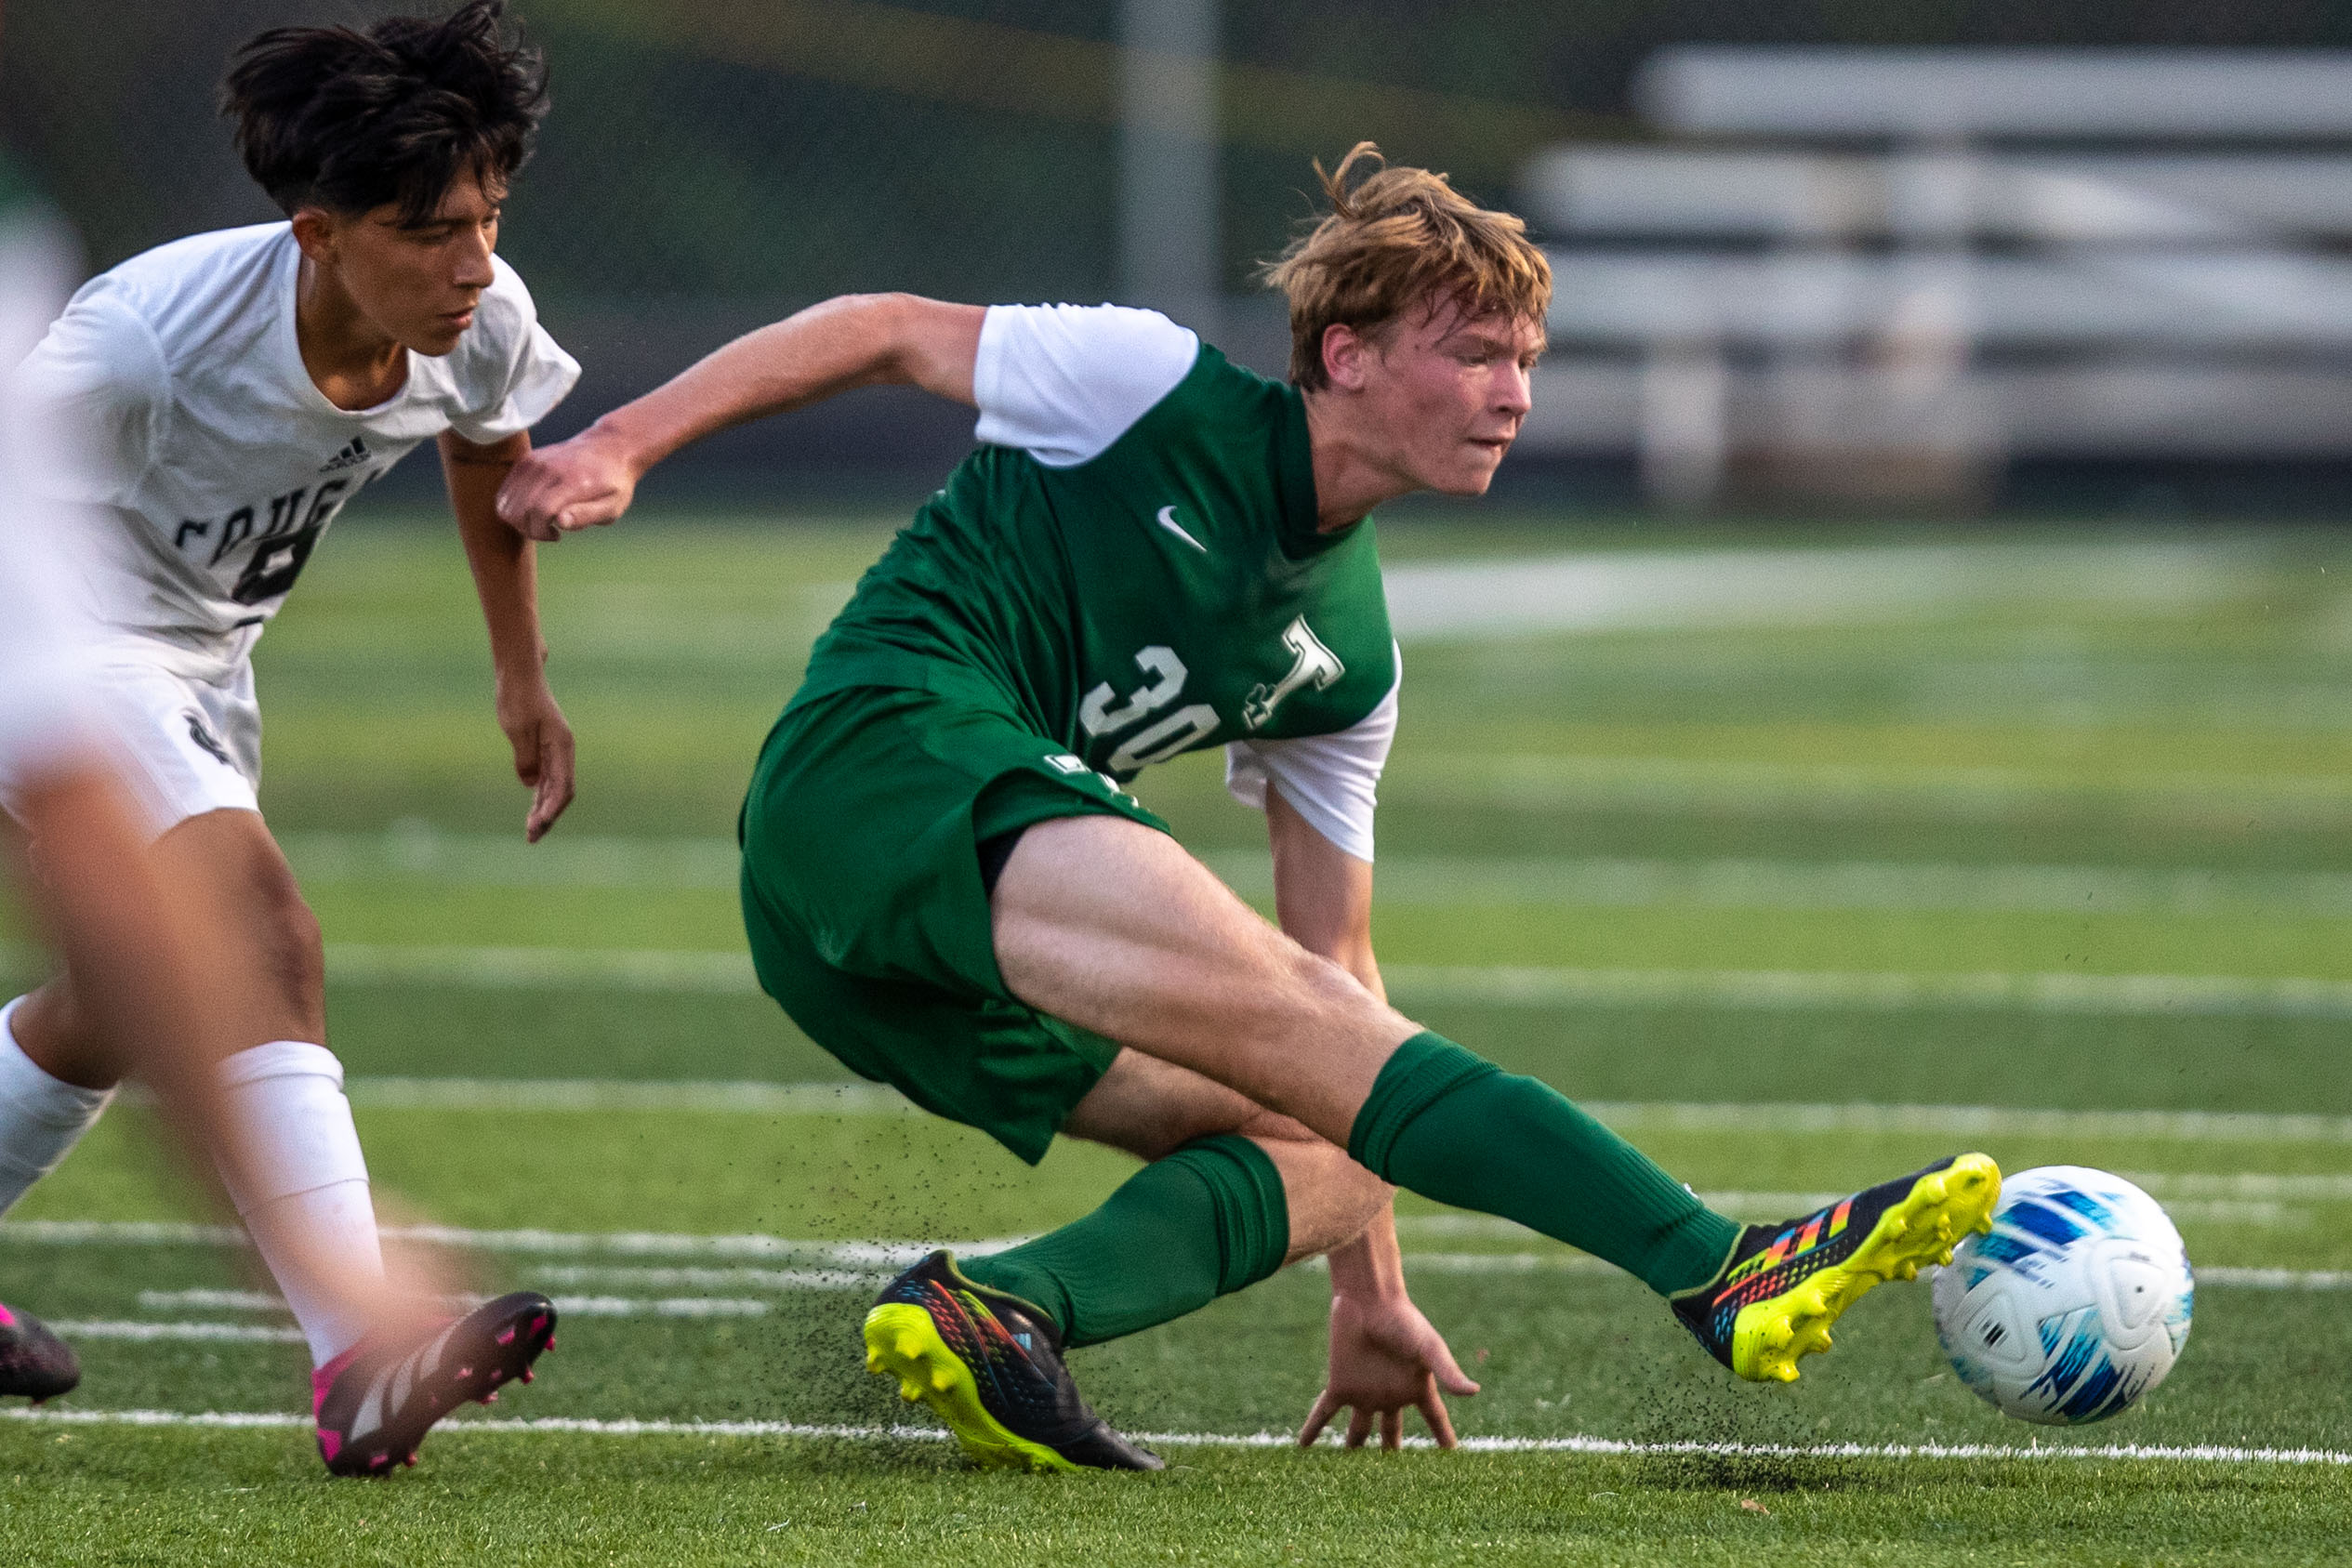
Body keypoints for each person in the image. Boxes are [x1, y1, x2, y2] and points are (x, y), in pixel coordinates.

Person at [499, 145, 2001, 1471]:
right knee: (1300, 1029)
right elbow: (880, 329)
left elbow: (1335, 985)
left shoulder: (1352, 663)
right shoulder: (1145, 382)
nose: (1515, 393)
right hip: (884, 762)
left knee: (1334, 1148)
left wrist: (1370, 1290)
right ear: (1345, 356)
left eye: (1526, 359)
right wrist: (625, 443)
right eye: (1476, 353)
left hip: (895, 959)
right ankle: (1711, 1263)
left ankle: (1003, 1309)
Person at [1, 1, 565, 1473]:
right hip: (58, 646)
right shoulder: (138, 352)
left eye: (489, 219)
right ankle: (360, 1353)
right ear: (318, 235)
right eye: (430, 232)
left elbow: (486, 438)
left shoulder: (475, 314)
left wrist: (521, 679)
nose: (473, 264)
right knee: (259, 933)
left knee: (125, 999)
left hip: (200, 670)